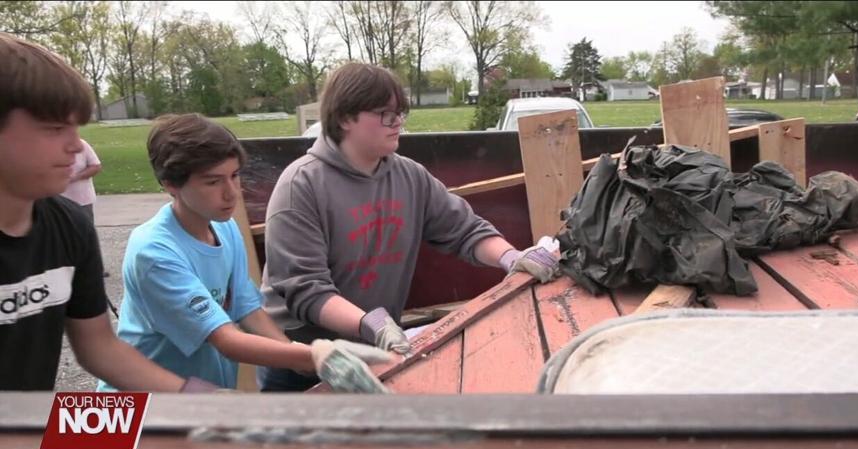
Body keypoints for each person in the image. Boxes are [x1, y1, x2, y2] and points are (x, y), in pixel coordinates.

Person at [259, 62, 560, 391]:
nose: (398, 122)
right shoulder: (301, 186)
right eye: (386, 114)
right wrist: (370, 323)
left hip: (374, 347)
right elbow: (306, 290)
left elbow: (465, 230)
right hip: (303, 361)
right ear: (345, 118)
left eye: (401, 112)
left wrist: (511, 257)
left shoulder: (409, 176)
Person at [96, 113, 392, 393]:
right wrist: (314, 357)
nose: (231, 192)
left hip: (195, 398)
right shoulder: (154, 252)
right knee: (67, 441)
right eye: (213, 181)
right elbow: (226, 340)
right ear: (170, 184)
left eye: (235, 175)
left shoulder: (223, 228)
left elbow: (247, 310)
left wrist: (299, 358)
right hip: (130, 408)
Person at [0, 32, 200, 392]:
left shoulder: (69, 224)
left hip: (35, 423)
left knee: (164, 432)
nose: (76, 146)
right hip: (23, 434)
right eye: (55, 128)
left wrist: (200, 401)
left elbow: (99, 348)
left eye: (76, 128)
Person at [60, 138, 101, 223]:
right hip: (56, 203)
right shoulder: (46, 147)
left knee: (84, 231)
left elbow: (96, 166)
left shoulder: (82, 145)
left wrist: (76, 177)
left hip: (82, 201)